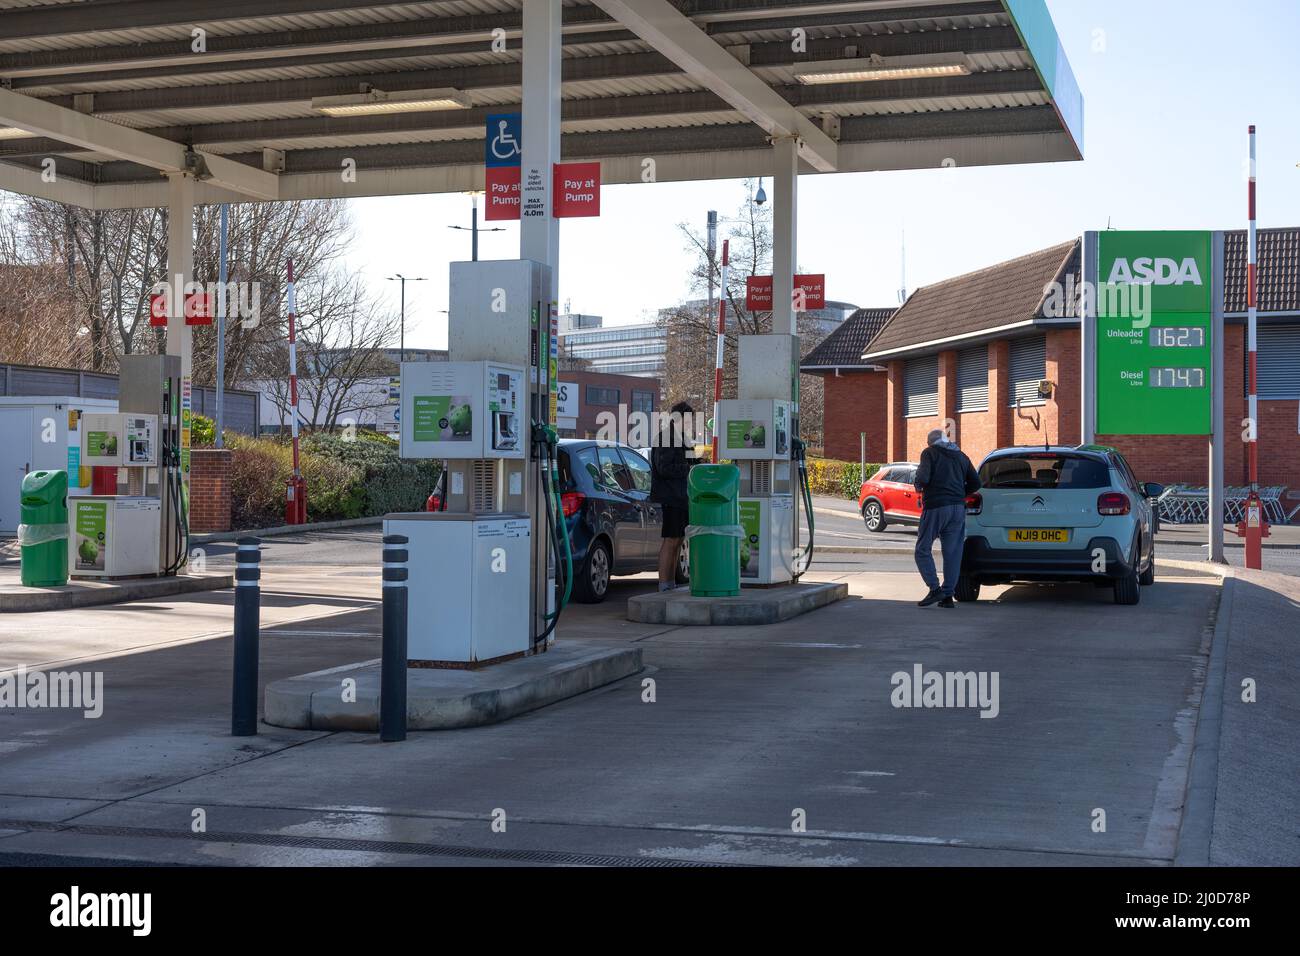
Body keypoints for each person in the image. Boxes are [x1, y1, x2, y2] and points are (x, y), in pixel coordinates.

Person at [913, 428, 981, 608]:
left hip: (936, 506)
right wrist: (959, 494)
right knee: (953, 552)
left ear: (931, 443)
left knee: (922, 548)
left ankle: (935, 589)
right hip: (958, 508)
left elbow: (923, 478)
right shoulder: (961, 456)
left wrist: (918, 483)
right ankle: (947, 596)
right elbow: (976, 482)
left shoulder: (929, 453)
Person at [650, 402, 694, 592]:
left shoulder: (683, 438)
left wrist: (700, 463)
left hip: (682, 496)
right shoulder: (665, 438)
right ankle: (664, 583)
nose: (690, 423)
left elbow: (690, 460)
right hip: (671, 497)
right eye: (688, 420)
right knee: (671, 539)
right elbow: (664, 468)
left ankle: (671, 583)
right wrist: (689, 468)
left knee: (678, 539)